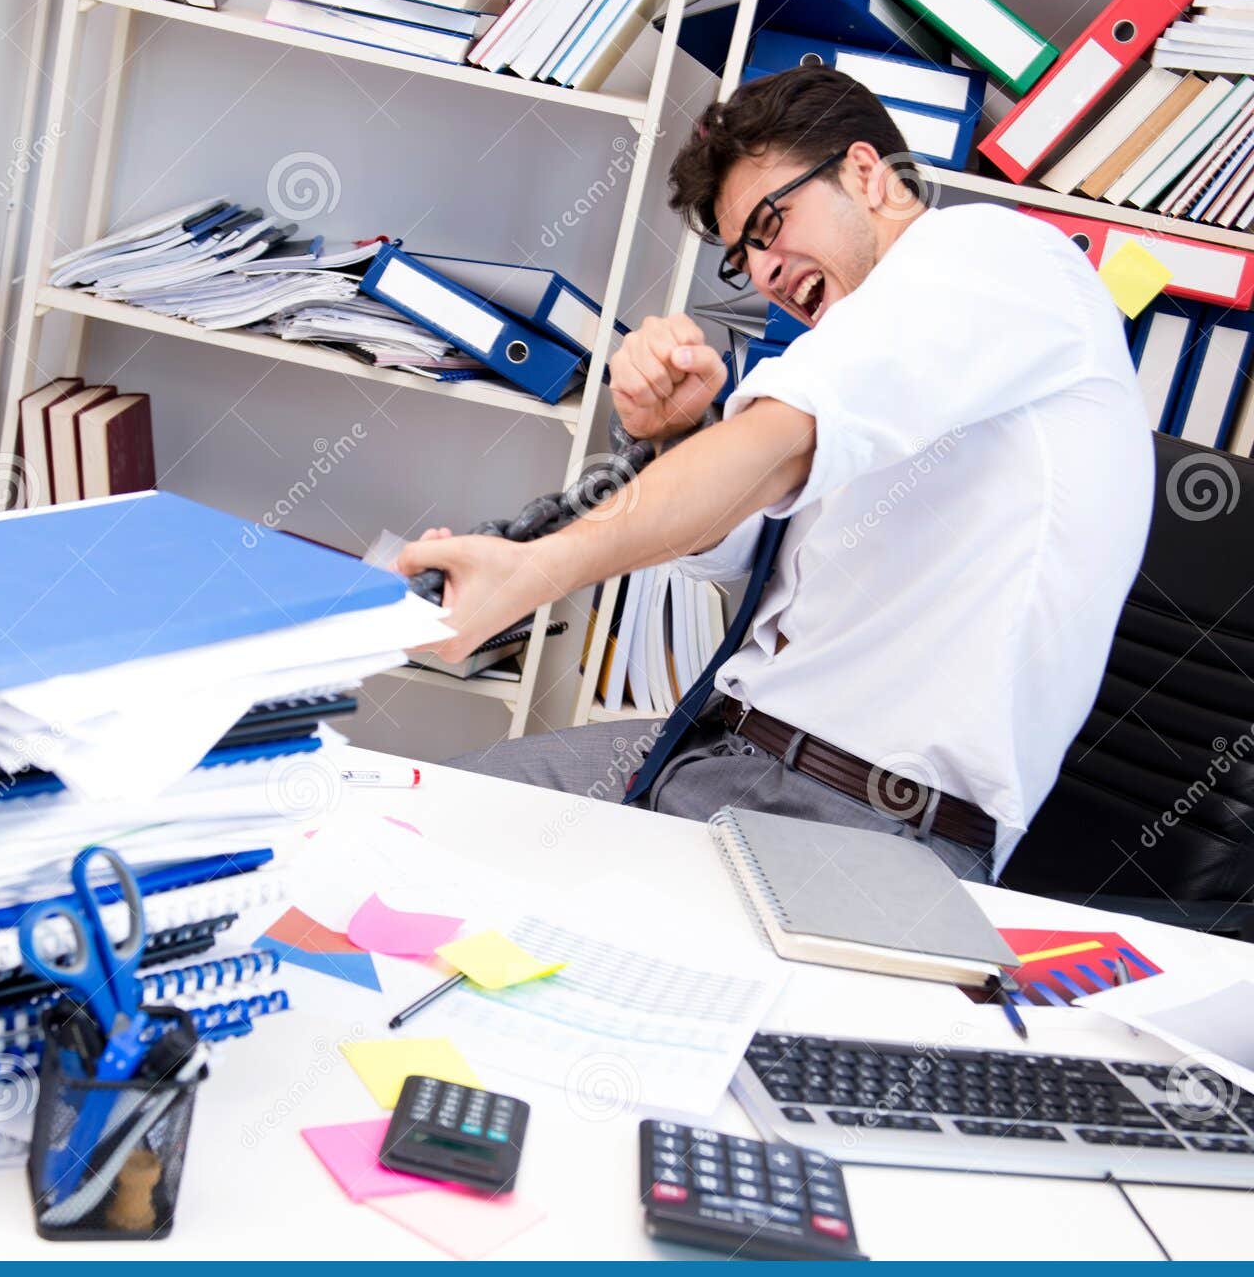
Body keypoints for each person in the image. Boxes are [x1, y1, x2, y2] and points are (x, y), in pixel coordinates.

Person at [394, 66, 1154, 882]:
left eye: (771, 221)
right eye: (742, 257)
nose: (762, 273)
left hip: (860, 820)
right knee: (403, 831)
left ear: (870, 174)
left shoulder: (995, 255)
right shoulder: (870, 365)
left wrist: (535, 570)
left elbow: (777, 445)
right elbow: (735, 557)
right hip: (709, 753)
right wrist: (678, 432)